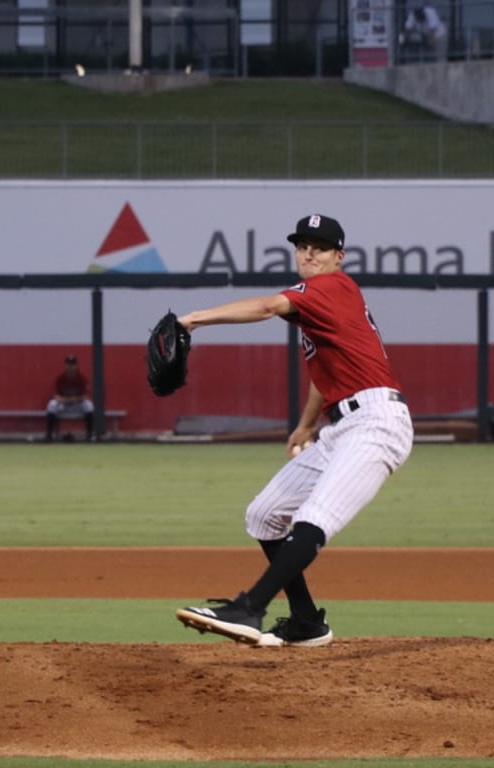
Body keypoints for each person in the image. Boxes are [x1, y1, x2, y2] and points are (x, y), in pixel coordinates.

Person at [174, 213, 413, 648]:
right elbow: (325, 379)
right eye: (302, 245)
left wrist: (194, 319)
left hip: (377, 422)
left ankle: (250, 607)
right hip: (344, 426)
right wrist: (305, 427)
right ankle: (306, 622)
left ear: (339, 257)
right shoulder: (320, 305)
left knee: (312, 519)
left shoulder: (331, 287)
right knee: (265, 515)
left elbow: (266, 307)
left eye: (319, 247)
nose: (308, 253)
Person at [45, 355, 94, 442]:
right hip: (64, 406)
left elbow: (85, 396)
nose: (70, 367)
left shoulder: (82, 378)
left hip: (77, 405)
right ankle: (49, 436)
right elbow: (56, 397)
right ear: (65, 366)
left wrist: (70, 399)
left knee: (89, 405)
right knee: (51, 405)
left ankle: (90, 435)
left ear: (76, 366)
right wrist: (72, 399)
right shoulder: (60, 379)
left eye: (72, 364)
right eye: (68, 364)